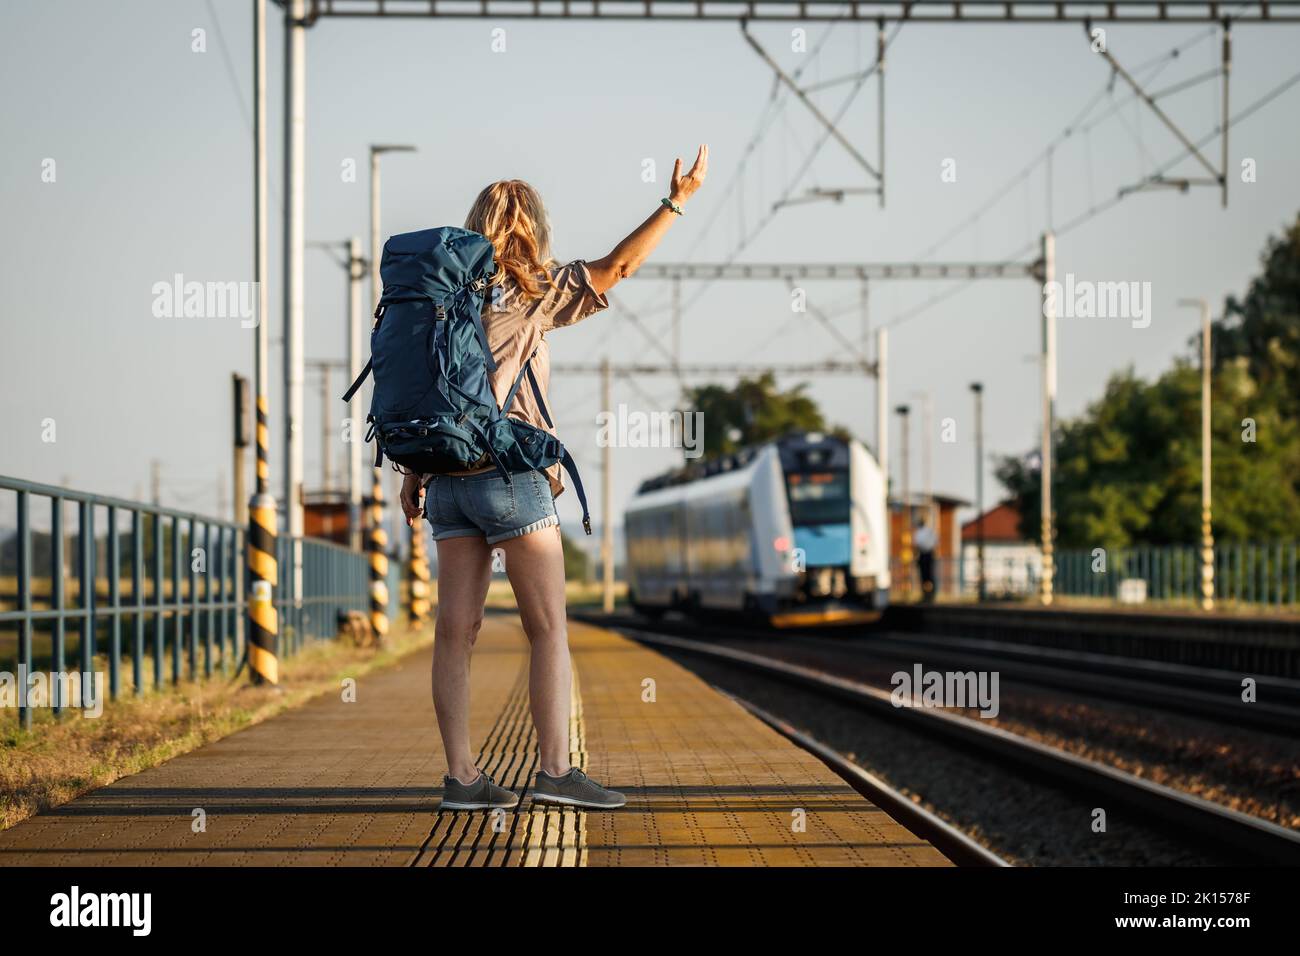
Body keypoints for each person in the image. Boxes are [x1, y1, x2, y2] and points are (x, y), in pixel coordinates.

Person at [398, 148, 709, 811]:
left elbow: (424, 385)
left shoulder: (437, 296)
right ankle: (556, 771)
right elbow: (618, 268)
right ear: (532, 229)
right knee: (548, 629)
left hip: (446, 479)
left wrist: (413, 473)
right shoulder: (533, 289)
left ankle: (461, 780)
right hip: (511, 476)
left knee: (456, 631)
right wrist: (675, 202)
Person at [913, 517, 938, 602]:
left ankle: (929, 595)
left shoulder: (921, 532)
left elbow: (916, 545)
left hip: (926, 554)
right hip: (925, 554)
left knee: (927, 575)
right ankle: (927, 595)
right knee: (926, 576)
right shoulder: (925, 532)